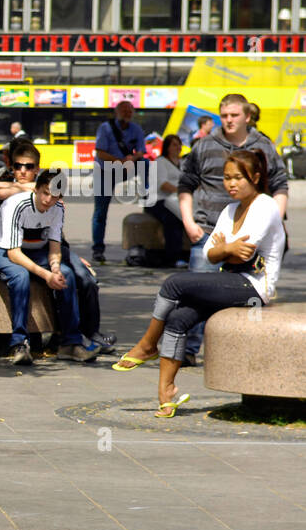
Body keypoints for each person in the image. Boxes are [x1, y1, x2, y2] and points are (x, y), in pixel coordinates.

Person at [112, 150, 284, 417]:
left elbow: (246, 252)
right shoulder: (229, 210)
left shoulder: (265, 205)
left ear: (256, 177)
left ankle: (147, 345)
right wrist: (226, 248)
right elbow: (208, 253)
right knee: (178, 319)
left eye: (238, 177)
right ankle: (166, 396)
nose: (231, 184)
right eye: (227, 178)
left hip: (254, 287)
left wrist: (223, 248)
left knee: (174, 283)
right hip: (230, 280)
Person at [175, 92, 289, 361]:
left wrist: (273, 219)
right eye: (224, 115)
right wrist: (189, 222)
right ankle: (188, 352)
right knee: (195, 295)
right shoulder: (204, 145)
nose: (228, 120)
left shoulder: (263, 145)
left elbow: (280, 185)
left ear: (247, 116)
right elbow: (185, 184)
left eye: (234, 115)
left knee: (244, 300)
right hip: (208, 231)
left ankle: (236, 356)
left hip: (250, 236)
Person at [0, 170, 97, 365]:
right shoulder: (18, 205)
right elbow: (13, 254)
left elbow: (54, 247)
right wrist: (46, 275)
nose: (48, 200)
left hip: (33, 251)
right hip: (0, 250)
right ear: (36, 189)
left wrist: (55, 268)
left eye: (54, 196)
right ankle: (19, 342)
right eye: (45, 192)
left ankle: (70, 343)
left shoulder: (57, 208)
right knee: (20, 275)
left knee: (67, 274)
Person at [91, 99, 148, 264]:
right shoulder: (105, 128)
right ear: (117, 112)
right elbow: (100, 152)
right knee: (100, 213)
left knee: (145, 164)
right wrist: (119, 160)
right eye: (124, 111)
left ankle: (148, 194)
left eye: (130, 111)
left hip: (126, 168)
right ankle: (98, 249)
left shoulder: (136, 129)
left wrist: (132, 158)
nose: (127, 114)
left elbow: (142, 151)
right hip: (106, 171)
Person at [145, 133, 188, 268]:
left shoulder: (183, 163)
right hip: (159, 200)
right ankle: (173, 256)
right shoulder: (160, 162)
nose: (178, 147)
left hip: (177, 199)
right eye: (174, 145)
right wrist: (183, 191)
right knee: (173, 218)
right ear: (167, 147)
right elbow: (163, 185)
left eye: (179, 144)